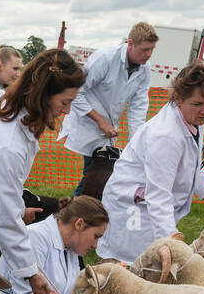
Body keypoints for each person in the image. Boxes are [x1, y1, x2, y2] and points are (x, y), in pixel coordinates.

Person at [0, 48, 85, 294]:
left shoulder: (15, 118)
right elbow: (5, 218)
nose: (67, 111)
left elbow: (2, 194)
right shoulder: (8, 145)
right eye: (65, 102)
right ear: (43, 95)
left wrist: (16, 209)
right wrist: (31, 272)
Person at [97, 62, 204, 263]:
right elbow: (158, 194)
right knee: (128, 266)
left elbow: (195, 161)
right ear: (178, 98)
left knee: (151, 267)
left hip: (148, 202)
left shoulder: (193, 119)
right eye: (198, 104)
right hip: (133, 207)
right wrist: (171, 240)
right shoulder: (166, 136)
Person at [58, 22, 157, 194]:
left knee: (99, 175)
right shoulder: (104, 58)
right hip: (87, 124)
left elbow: (138, 108)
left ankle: (78, 213)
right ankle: (73, 214)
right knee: (94, 176)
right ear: (131, 43)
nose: (148, 55)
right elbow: (77, 93)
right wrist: (100, 121)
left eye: (152, 49)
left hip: (107, 130)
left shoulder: (145, 69)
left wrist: (136, 143)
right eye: (144, 49)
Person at [0, 196, 106, 294]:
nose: (95, 245)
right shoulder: (34, 237)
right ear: (79, 224)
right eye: (96, 236)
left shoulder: (71, 247)